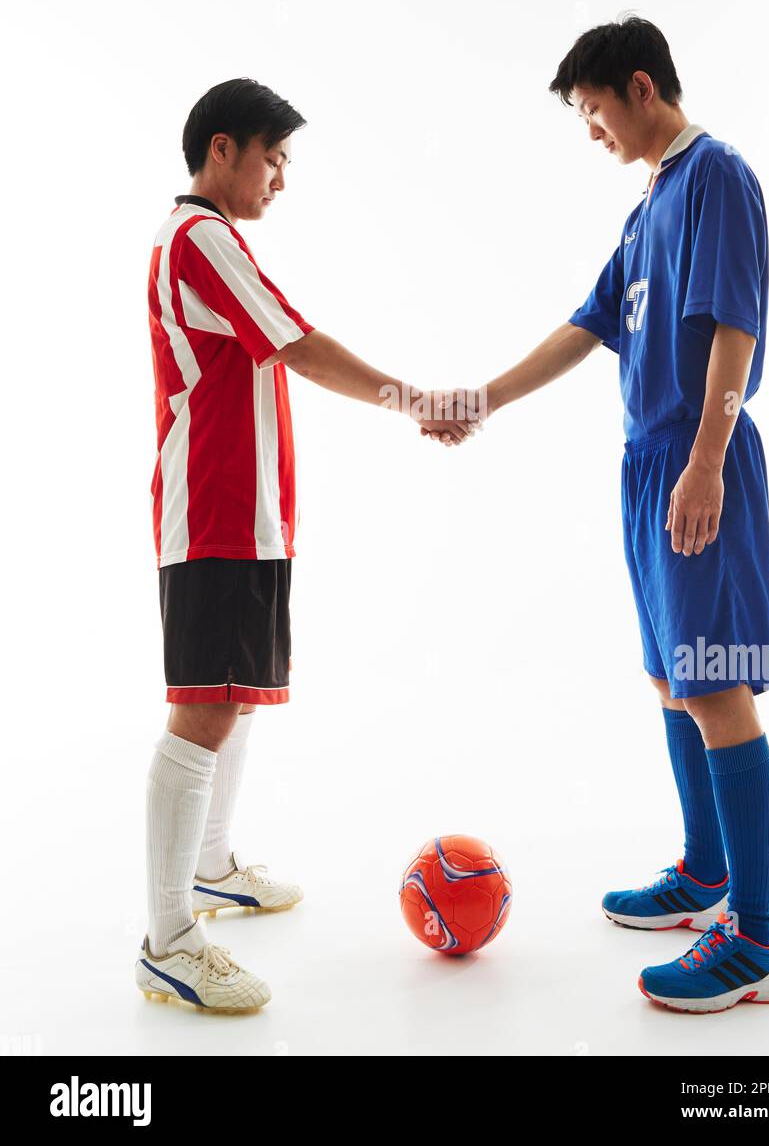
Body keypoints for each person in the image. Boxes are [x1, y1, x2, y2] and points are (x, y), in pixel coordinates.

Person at [424, 16, 769, 1013]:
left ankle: (756, 940)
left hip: (691, 452)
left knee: (713, 681)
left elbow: (736, 326)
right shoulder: (645, 209)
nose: (591, 133)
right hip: (645, 461)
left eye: (593, 113)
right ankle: (705, 873)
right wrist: (483, 398)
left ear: (639, 88)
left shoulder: (713, 174)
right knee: (669, 675)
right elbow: (586, 324)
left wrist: (708, 459)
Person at [137, 78, 475, 1013]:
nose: (280, 177)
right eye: (271, 157)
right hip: (211, 515)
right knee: (204, 704)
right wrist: (418, 402)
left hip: (247, 516)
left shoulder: (209, 240)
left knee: (235, 694)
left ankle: (208, 870)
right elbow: (298, 344)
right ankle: (167, 939)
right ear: (220, 151)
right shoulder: (200, 236)